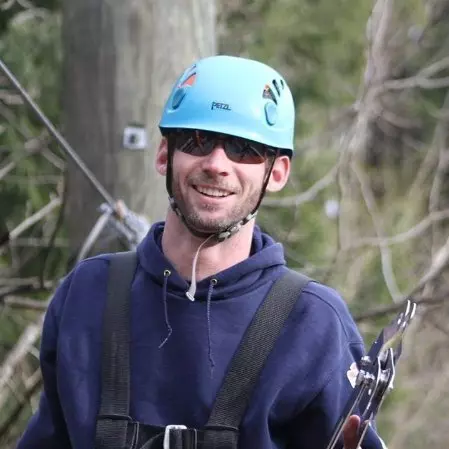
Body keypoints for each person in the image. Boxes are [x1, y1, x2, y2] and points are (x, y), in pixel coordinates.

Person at [16, 55, 388, 449]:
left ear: (276, 172)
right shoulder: (88, 294)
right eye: (198, 140)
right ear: (165, 155)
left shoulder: (313, 325)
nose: (216, 164)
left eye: (244, 149)